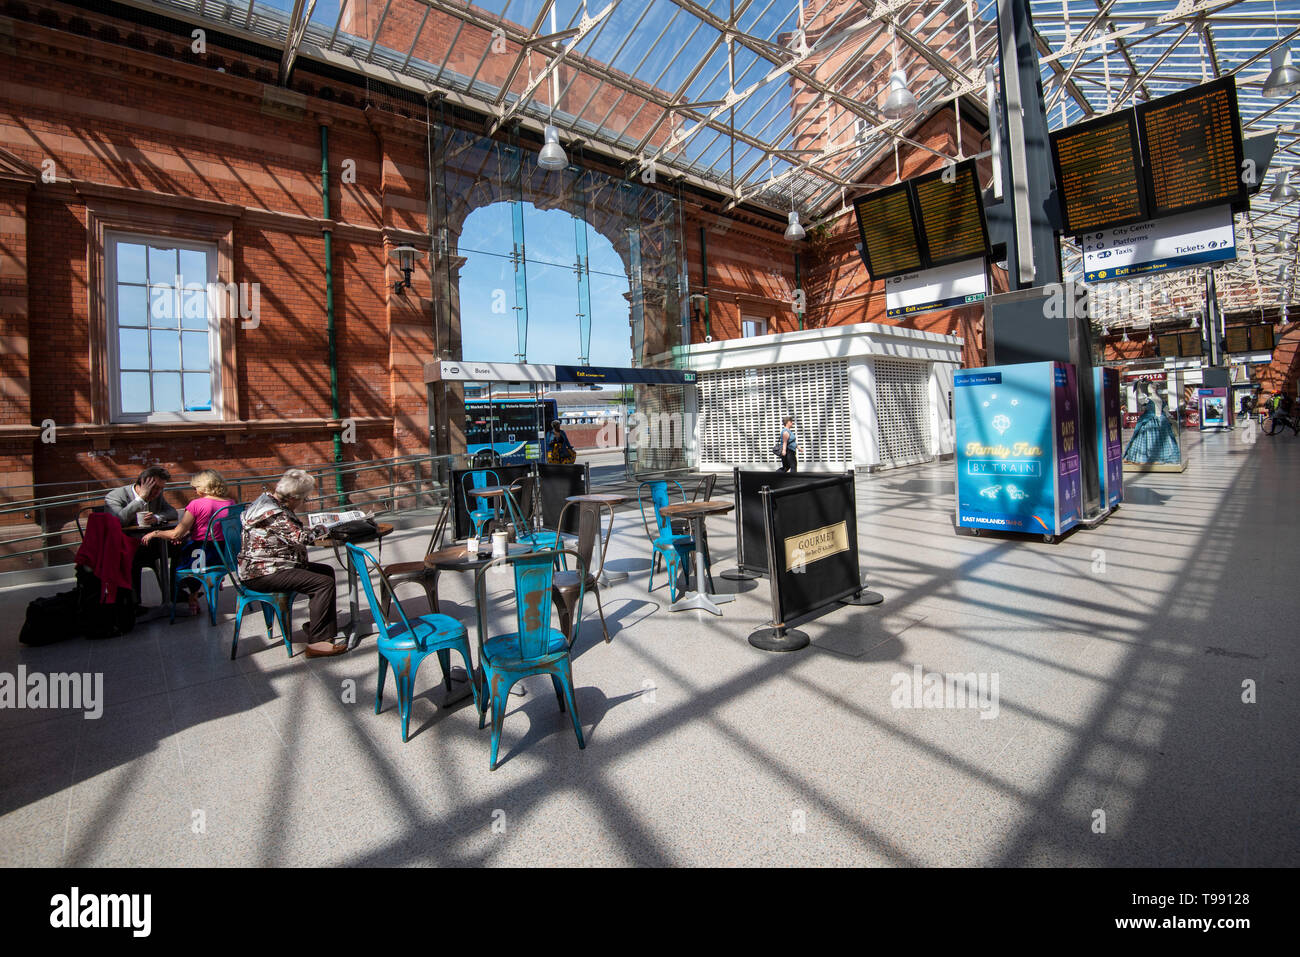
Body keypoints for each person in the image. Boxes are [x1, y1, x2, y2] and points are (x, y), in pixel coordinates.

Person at [238, 469, 345, 657]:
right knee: (322, 583)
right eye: (304, 499)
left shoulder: (267, 501)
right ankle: (318, 644)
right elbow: (301, 538)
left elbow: (288, 533)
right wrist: (324, 527)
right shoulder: (274, 513)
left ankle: (318, 629)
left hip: (266, 566)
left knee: (326, 571)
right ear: (294, 497)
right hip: (264, 573)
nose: (304, 503)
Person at [140, 469, 235, 617]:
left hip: (202, 556)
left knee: (181, 557)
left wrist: (155, 533)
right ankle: (209, 584)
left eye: (195, 487)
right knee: (192, 548)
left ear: (204, 486)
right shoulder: (230, 502)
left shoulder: (196, 504)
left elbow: (176, 533)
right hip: (224, 556)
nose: (194, 490)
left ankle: (191, 596)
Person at [105, 466, 180, 608]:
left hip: (150, 542)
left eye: (161, 489)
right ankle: (133, 603)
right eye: (155, 488)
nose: (157, 492)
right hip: (125, 546)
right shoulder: (115, 496)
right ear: (143, 483)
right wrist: (140, 499)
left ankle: (176, 593)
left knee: (180, 545)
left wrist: (157, 518)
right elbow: (118, 521)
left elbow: (172, 512)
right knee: (132, 556)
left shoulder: (158, 496)